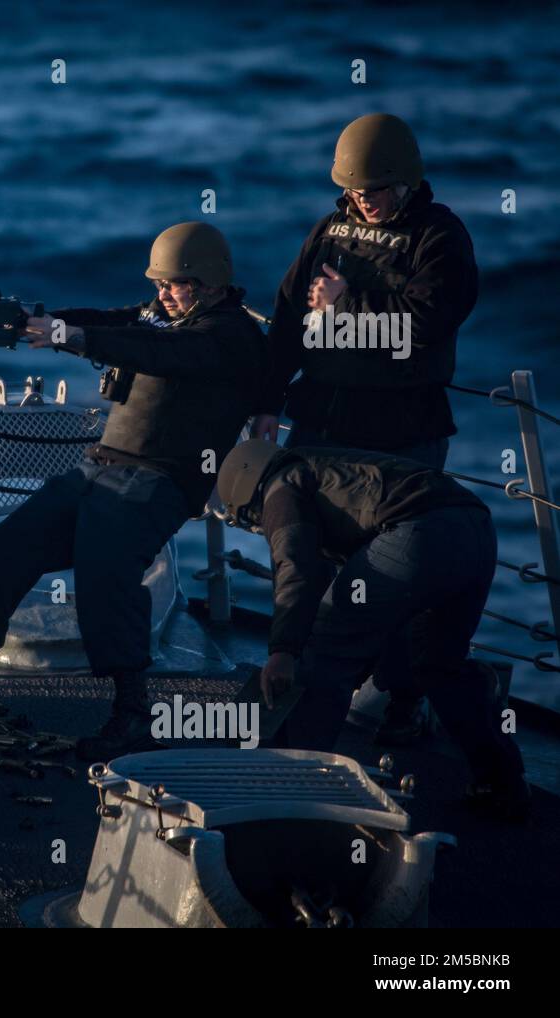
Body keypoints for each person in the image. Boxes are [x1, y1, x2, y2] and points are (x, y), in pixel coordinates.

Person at [0, 222, 267, 761]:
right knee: (7, 548)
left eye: (174, 284)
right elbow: (118, 323)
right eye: (160, 284)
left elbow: (155, 351)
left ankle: (132, 713)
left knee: (107, 572)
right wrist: (46, 322)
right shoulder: (165, 315)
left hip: (159, 482)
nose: (162, 293)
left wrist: (74, 340)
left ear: (209, 283)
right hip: (98, 468)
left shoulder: (228, 336)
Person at [250, 112, 480, 745]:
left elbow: (426, 323)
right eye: (352, 190)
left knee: (398, 578)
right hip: (322, 423)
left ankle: (398, 700)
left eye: (372, 190)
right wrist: (268, 402)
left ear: (405, 182)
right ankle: (307, 688)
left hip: (401, 434)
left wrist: (346, 304)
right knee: (308, 558)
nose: (360, 201)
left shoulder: (440, 238)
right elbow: (290, 316)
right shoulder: (331, 229)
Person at [217, 438, 528, 822]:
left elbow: (296, 567)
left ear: (248, 493)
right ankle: (501, 781)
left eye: (250, 519)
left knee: (329, 647)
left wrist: (283, 651)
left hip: (422, 531)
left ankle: (293, 779)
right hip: (476, 531)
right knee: (438, 665)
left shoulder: (282, 485)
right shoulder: (325, 467)